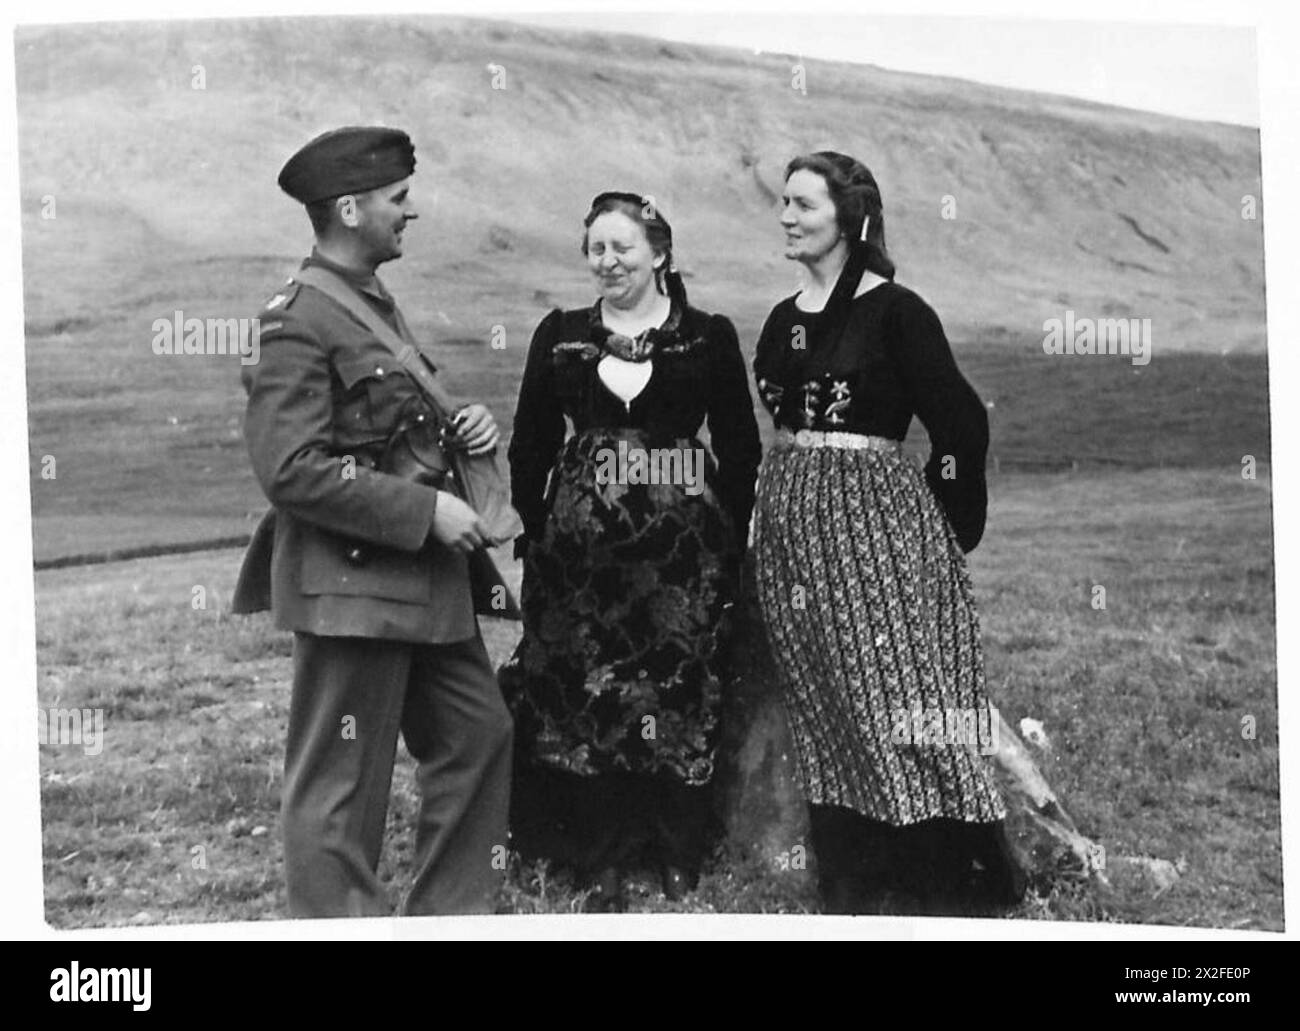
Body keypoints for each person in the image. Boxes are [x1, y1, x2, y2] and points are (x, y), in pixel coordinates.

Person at [231, 126, 514, 917]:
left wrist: (465, 424)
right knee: (338, 790)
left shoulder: (369, 303)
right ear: (350, 209)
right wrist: (426, 510)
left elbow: (389, 423)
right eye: (397, 199)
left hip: (420, 586)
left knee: (477, 735)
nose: (410, 211)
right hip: (355, 585)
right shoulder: (299, 317)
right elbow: (291, 469)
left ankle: (447, 921)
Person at [751, 151, 1026, 915]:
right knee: (827, 697)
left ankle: (946, 878)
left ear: (850, 216)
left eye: (804, 204)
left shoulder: (898, 312)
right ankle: (861, 878)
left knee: (902, 696)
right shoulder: (782, 318)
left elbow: (961, 425)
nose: (787, 216)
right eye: (784, 202)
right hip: (792, 533)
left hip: (874, 531)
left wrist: (942, 527)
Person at [500, 191, 761, 910]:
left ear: (660, 253)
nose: (607, 261)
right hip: (578, 566)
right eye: (596, 249)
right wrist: (539, 524)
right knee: (589, 696)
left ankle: (676, 849)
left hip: (683, 564)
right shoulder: (559, 333)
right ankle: (601, 854)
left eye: (622, 247)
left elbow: (738, 446)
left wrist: (728, 540)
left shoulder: (707, 336)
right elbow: (530, 441)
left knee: (675, 691)